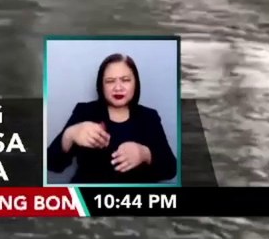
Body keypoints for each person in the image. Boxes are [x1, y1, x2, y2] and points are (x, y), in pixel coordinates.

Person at [46, 53, 178, 185]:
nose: (118, 87)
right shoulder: (84, 112)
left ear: (136, 83)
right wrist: (70, 135)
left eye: (125, 80)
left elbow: (170, 170)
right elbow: (52, 164)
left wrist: (144, 154)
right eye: (110, 81)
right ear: (101, 85)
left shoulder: (149, 117)